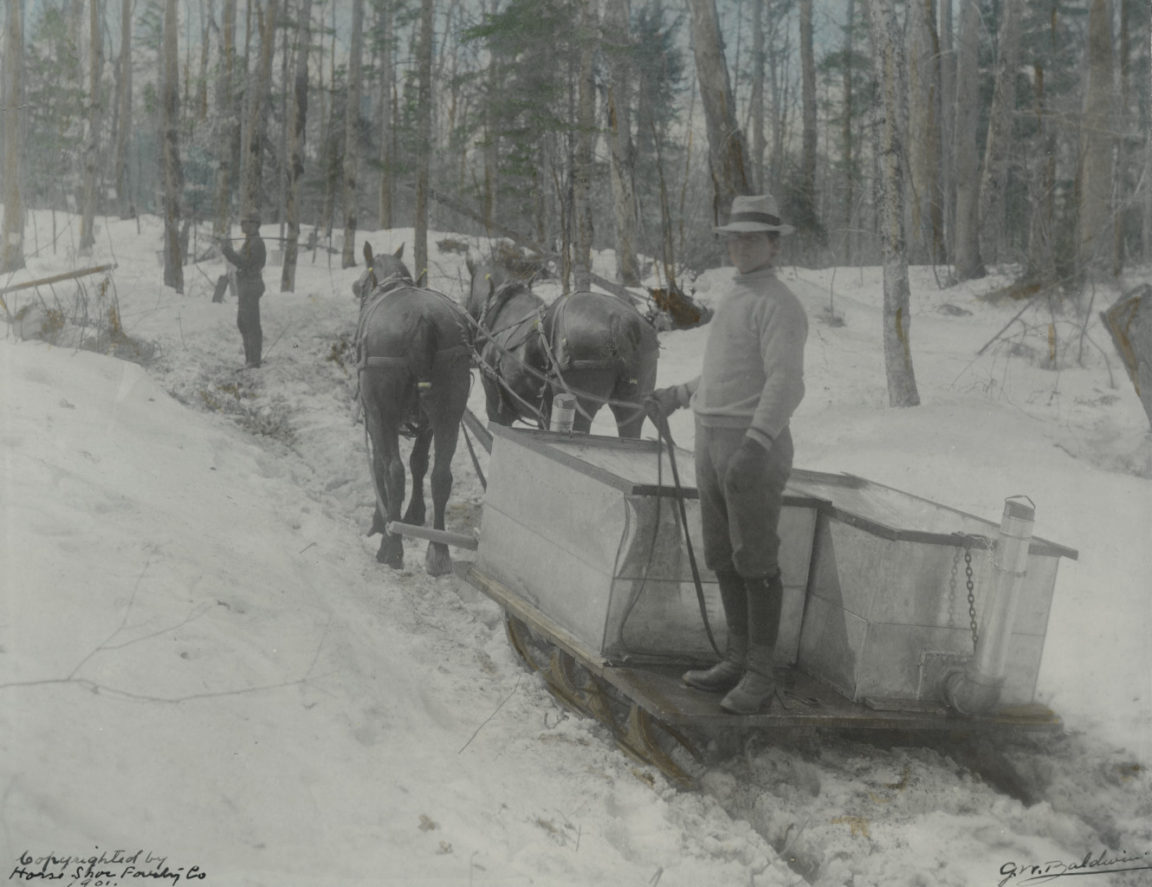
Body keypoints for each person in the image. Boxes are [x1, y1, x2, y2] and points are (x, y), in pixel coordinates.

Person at [646, 193, 808, 715]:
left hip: (751, 446)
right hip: (711, 440)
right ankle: (737, 659)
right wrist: (679, 393)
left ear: (774, 245)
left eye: (752, 239)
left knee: (756, 560)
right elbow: (726, 374)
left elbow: (787, 384)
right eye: (734, 238)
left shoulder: (779, 304)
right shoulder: (736, 296)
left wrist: (756, 444)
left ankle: (761, 673)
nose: (741, 247)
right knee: (722, 555)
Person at [219, 213, 267, 368]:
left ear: (254, 225)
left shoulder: (256, 243)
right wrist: (229, 250)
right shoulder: (249, 242)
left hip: (251, 285)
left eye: (245, 223)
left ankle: (254, 360)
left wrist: (227, 251)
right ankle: (250, 359)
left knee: (250, 323)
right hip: (246, 285)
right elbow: (240, 258)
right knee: (243, 322)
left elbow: (243, 263)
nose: (242, 225)